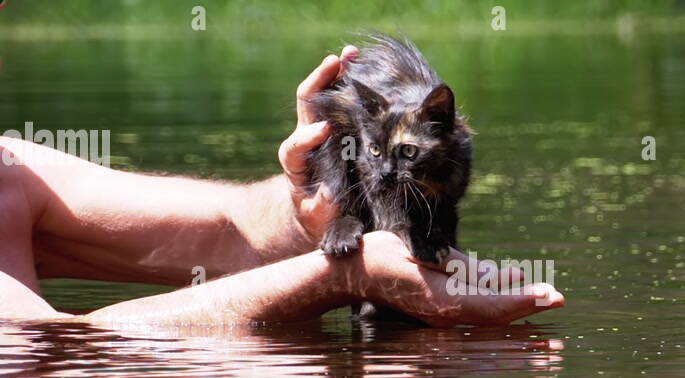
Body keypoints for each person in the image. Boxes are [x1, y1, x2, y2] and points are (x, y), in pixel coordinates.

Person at [0, 47, 563, 327]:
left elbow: (229, 232)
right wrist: (347, 275)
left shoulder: (13, 169)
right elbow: (54, 346)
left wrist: (313, 204)